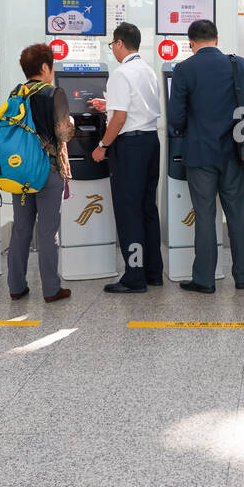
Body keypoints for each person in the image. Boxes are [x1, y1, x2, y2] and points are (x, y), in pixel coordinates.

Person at [168, 19, 244, 293]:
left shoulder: (184, 69)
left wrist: (189, 128)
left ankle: (205, 280)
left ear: (191, 43)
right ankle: (242, 275)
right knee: (237, 214)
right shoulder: (239, 64)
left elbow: (175, 117)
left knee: (205, 216)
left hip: (200, 153)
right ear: (217, 39)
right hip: (234, 152)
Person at [89, 23, 163, 294]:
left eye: (113, 45)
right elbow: (135, 107)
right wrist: (107, 105)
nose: (113, 50)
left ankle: (134, 276)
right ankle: (153, 271)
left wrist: (102, 146)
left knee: (128, 210)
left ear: (120, 43)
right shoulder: (147, 70)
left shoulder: (121, 73)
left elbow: (120, 118)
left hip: (129, 148)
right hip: (150, 142)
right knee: (147, 208)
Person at [6, 43, 74, 303]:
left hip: (19, 171)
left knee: (21, 227)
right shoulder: (53, 93)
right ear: (45, 67)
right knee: (47, 231)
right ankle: (50, 289)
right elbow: (63, 133)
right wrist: (72, 124)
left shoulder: (15, 93)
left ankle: (16, 286)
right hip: (47, 171)